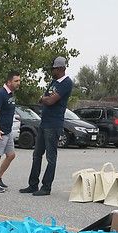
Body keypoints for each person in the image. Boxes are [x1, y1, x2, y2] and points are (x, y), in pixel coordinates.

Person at [21, 56, 73, 197]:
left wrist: (45, 99)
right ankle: (33, 184)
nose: (53, 71)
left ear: (61, 68)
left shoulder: (66, 83)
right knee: (37, 154)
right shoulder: (54, 82)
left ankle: (46, 187)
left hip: (54, 124)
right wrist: (45, 98)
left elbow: (50, 100)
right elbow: (45, 97)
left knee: (51, 157)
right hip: (44, 123)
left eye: (55, 68)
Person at [0, 71, 21, 193]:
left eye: (19, 80)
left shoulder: (11, 94)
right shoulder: (0, 93)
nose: (18, 83)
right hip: (0, 132)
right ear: (9, 82)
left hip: (8, 131)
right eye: (16, 81)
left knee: (11, 155)